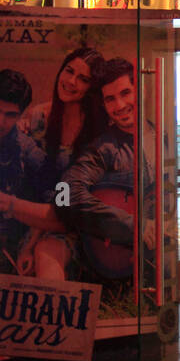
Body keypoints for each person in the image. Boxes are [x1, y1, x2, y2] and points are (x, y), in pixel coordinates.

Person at [58, 58, 160, 292]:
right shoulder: (103, 149)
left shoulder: (165, 138)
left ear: (140, 90)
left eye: (126, 93)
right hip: (123, 270)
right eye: (110, 99)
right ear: (103, 105)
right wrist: (133, 225)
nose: (120, 105)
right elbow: (65, 194)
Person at [14, 47, 106, 280]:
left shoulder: (98, 127)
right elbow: (38, 182)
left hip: (76, 222)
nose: (71, 81)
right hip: (38, 215)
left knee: (45, 252)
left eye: (83, 79)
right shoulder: (39, 118)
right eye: (69, 71)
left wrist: (33, 242)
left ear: (91, 88)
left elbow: (71, 198)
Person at [0, 69, 54, 273]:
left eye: (10, 115)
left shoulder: (28, 151)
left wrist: (29, 247)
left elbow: (59, 198)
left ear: (20, 115)